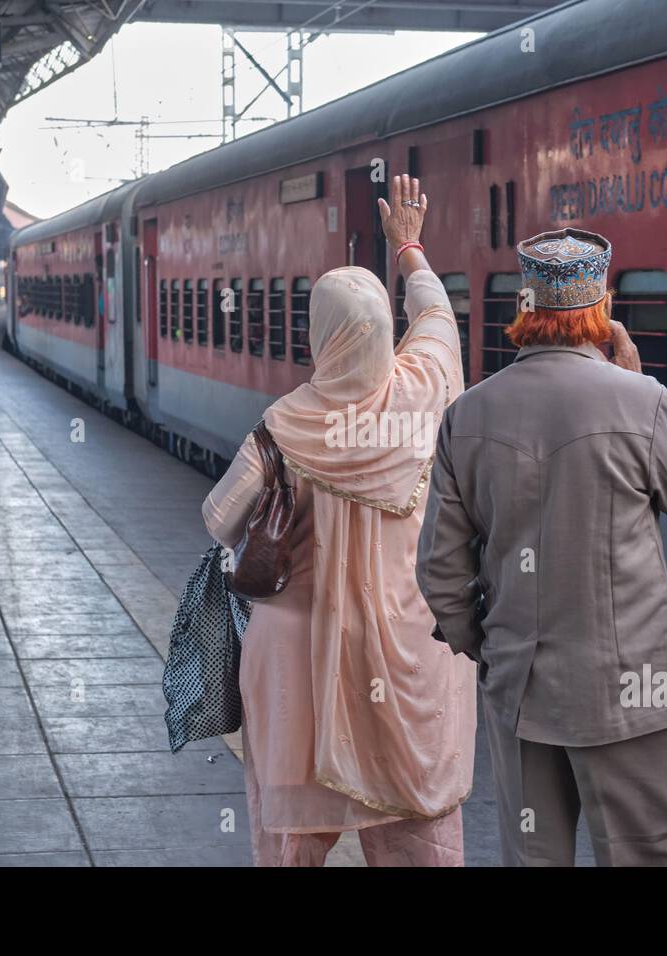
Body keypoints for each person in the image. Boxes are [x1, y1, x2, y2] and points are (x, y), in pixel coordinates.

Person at [415, 227, 667, 866]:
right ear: (601, 311)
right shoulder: (641, 401)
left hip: (521, 692)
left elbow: (440, 569)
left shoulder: (468, 414)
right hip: (632, 696)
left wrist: (490, 644)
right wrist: (642, 387)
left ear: (525, 310)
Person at [202, 174, 476, 867]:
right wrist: (408, 246)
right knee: (418, 831)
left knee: (293, 839)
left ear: (319, 336)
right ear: (385, 333)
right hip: (408, 656)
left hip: (296, 653)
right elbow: (437, 313)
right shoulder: (426, 390)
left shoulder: (285, 424)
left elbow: (217, 518)